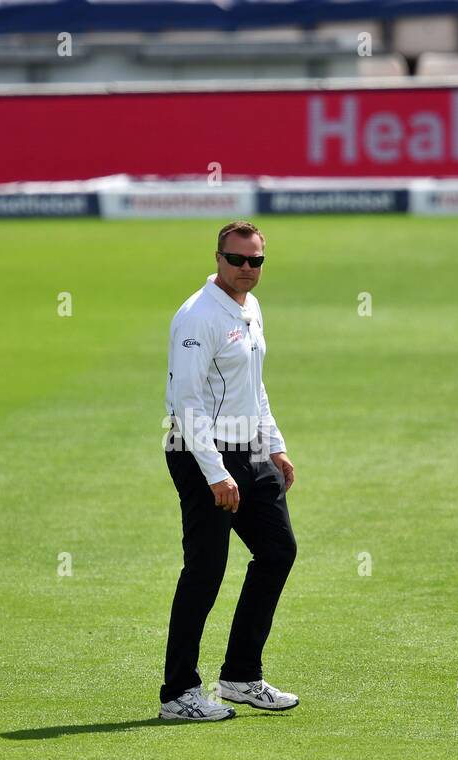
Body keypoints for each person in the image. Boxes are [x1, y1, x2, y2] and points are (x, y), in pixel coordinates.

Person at [160, 221, 299, 722]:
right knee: (205, 570)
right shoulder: (198, 317)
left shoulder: (250, 306)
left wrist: (276, 446)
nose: (246, 269)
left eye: (255, 261)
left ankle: (240, 676)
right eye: (237, 259)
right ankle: (178, 693)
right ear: (217, 257)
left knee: (278, 550)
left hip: (249, 445)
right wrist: (217, 473)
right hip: (200, 452)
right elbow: (186, 401)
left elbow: (254, 386)